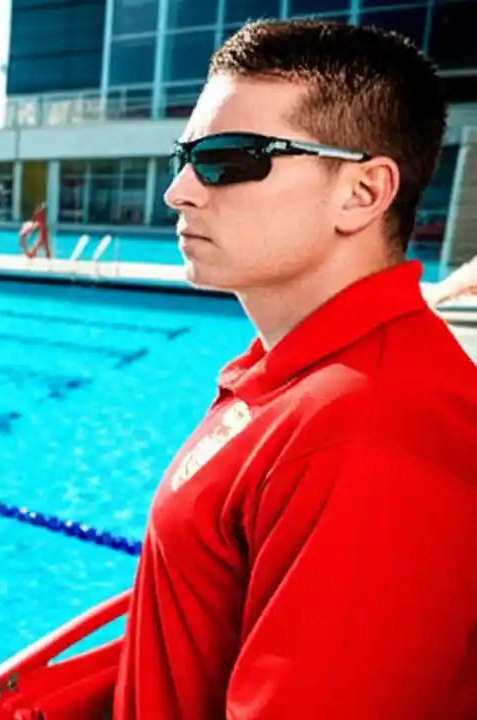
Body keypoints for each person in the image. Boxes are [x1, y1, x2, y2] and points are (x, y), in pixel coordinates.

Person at [113, 20, 477, 719]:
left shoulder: (372, 432)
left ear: (364, 193)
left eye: (228, 158)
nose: (180, 192)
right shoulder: (289, 373)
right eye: (185, 157)